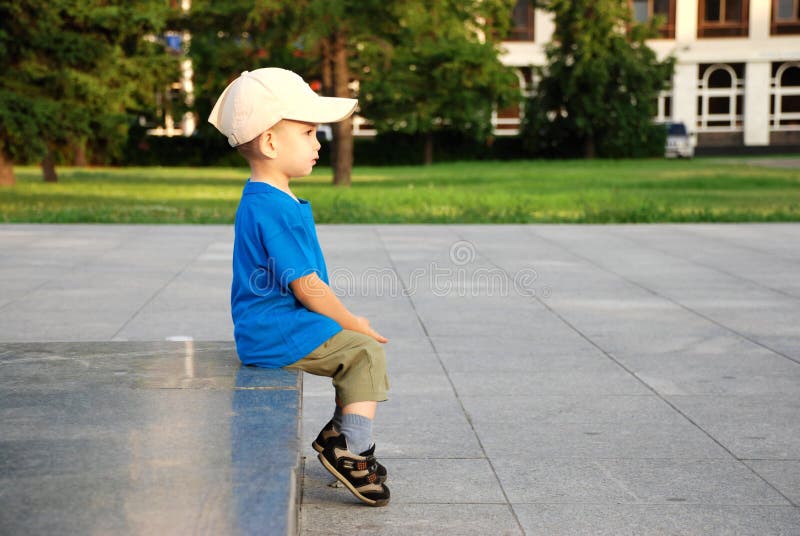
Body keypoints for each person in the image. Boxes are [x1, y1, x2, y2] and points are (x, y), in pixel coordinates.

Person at [208, 68, 391, 507]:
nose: (317, 143)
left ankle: (339, 436)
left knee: (355, 353)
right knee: (365, 351)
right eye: (308, 132)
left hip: (272, 324)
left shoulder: (269, 197)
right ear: (270, 143)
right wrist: (352, 321)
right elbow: (308, 287)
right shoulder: (273, 207)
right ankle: (350, 450)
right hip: (274, 329)